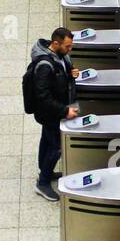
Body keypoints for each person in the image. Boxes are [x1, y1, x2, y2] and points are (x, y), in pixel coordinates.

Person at [29, 27, 79, 202]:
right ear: (55, 43)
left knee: (46, 140)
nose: (70, 49)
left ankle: (45, 171)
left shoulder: (60, 55)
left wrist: (71, 73)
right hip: (51, 112)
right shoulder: (44, 66)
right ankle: (42, 183)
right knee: (56, 146)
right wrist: (65, 110)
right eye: (68, 46)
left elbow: (62, 72)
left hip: (55, 109)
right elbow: (43, 96)